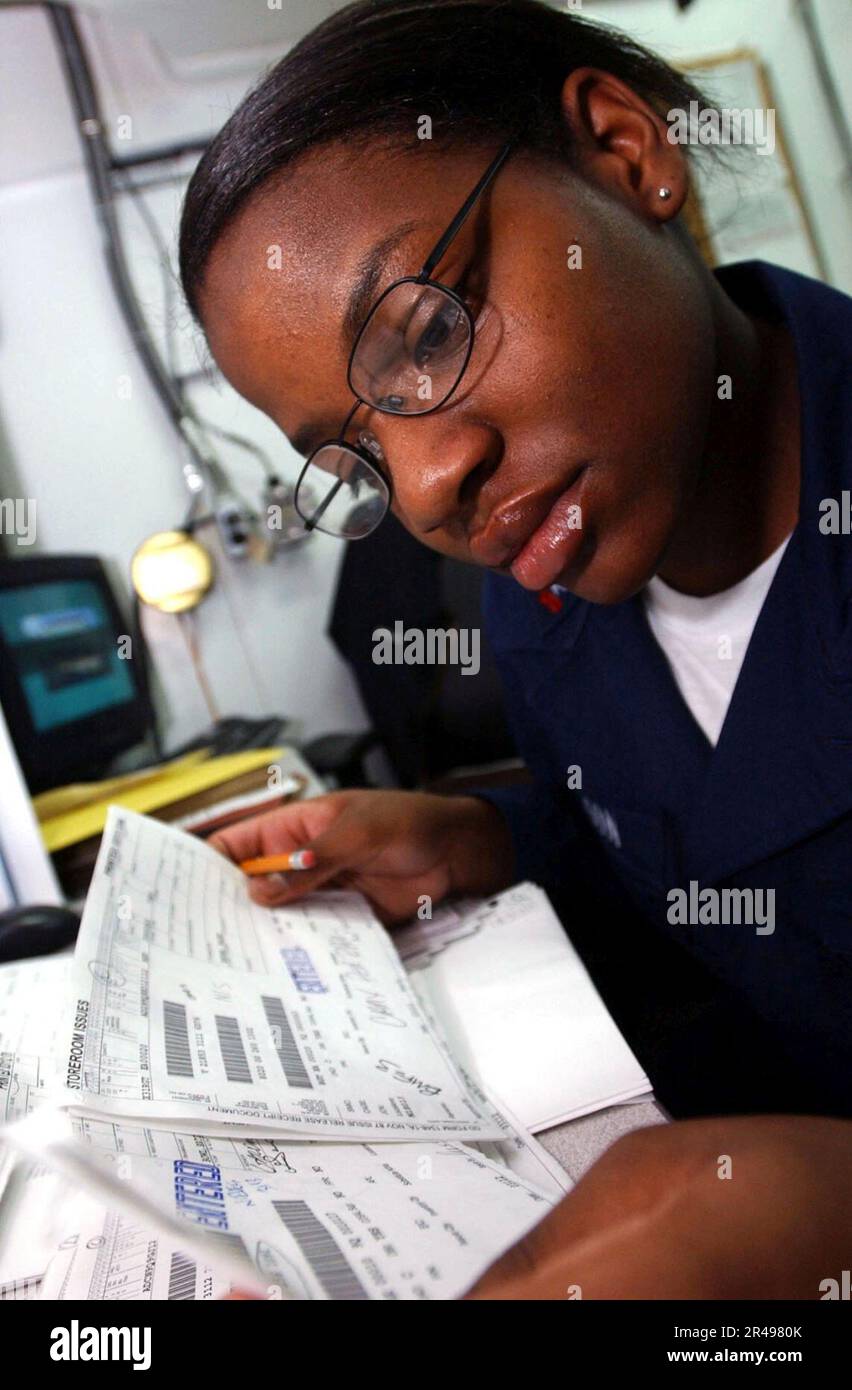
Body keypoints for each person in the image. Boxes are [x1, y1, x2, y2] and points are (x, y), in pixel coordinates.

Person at [178, 0, 852, 1298]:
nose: (429, 488)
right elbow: (686, 866)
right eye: (355, 456)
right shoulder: (545, 594)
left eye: (429, 331)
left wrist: (819, 1205)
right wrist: (480, 841)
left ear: (621, 150)